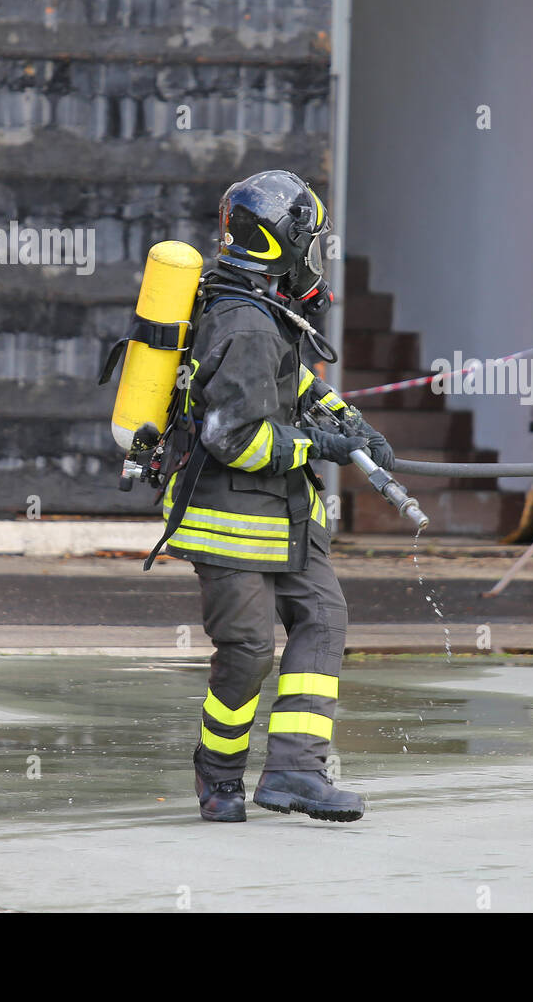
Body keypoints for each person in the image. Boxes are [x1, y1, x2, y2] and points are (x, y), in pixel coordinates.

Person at [160, 169, 393, 823]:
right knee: (248, 654)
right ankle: (219, 776)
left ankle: (295, 771)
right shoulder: (244, 323)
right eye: (312, 238)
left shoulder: (268, 310)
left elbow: (301, 384)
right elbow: (234, 437)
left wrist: (355, 427)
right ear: (283, 241)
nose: (318, 253)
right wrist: (320, 447)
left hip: (287, 516)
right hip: (230, 522)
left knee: (323, 618)